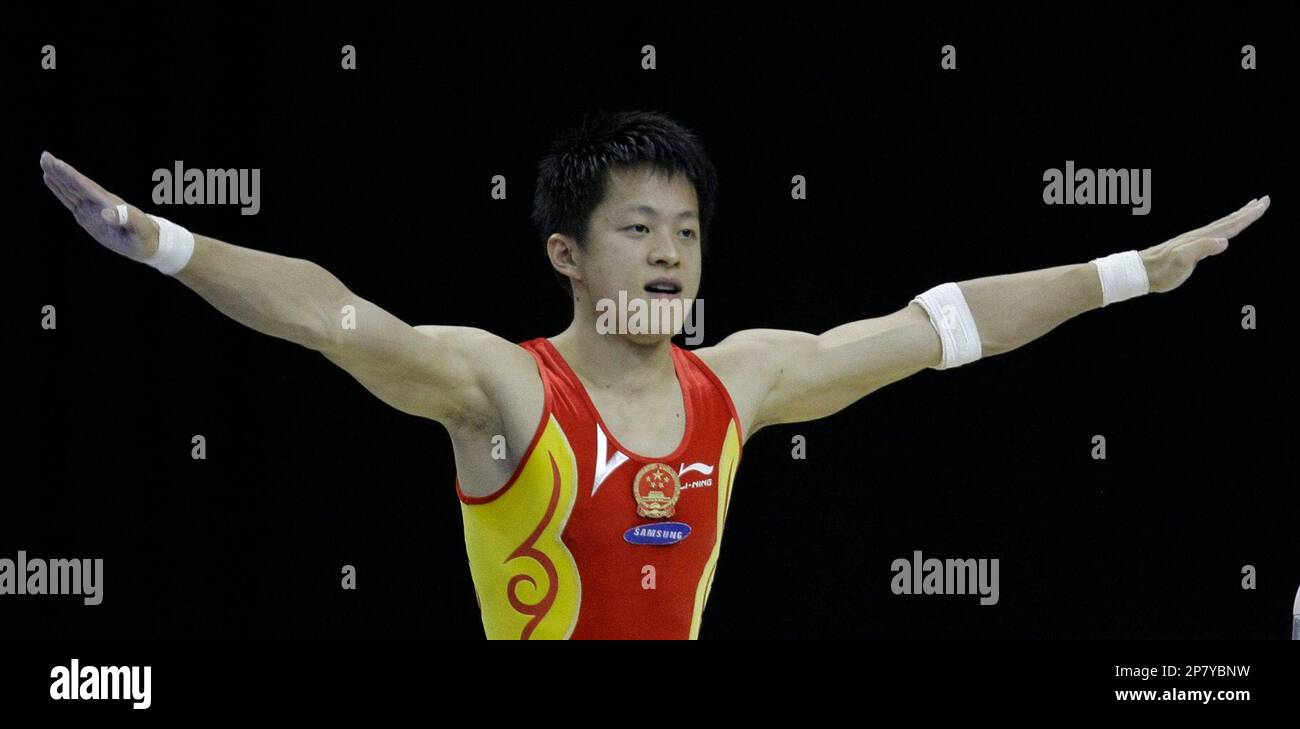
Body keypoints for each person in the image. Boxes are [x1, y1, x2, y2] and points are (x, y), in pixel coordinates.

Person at [39, 109, 1270, 639]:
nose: (671, 252)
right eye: (639, 228)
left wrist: (1131, 273)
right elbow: (337, 319)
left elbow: (938, 324)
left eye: (687, 231)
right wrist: (168, 242)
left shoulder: (743, 382)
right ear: (567, 254)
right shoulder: (506, 390)